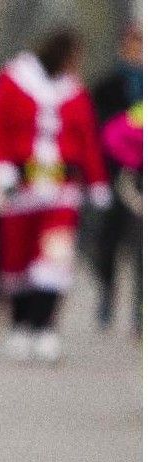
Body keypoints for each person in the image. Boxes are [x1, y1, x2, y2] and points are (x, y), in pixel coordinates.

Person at [0, 28, 110, 362]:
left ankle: (46, 327)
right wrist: (1, 168)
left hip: (62, 190)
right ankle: (21, 326)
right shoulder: (12, 80)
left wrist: (96, 181)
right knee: (17, 261)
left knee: (55, 260)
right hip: (21, 186)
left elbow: (87, 139)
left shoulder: (75, 92)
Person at [92, 24, 142, 329]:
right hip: (115, 171)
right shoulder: (108, 85)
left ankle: (140, 308)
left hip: (141, 173)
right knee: (108, 239)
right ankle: (107, 293)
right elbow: (98, 125)